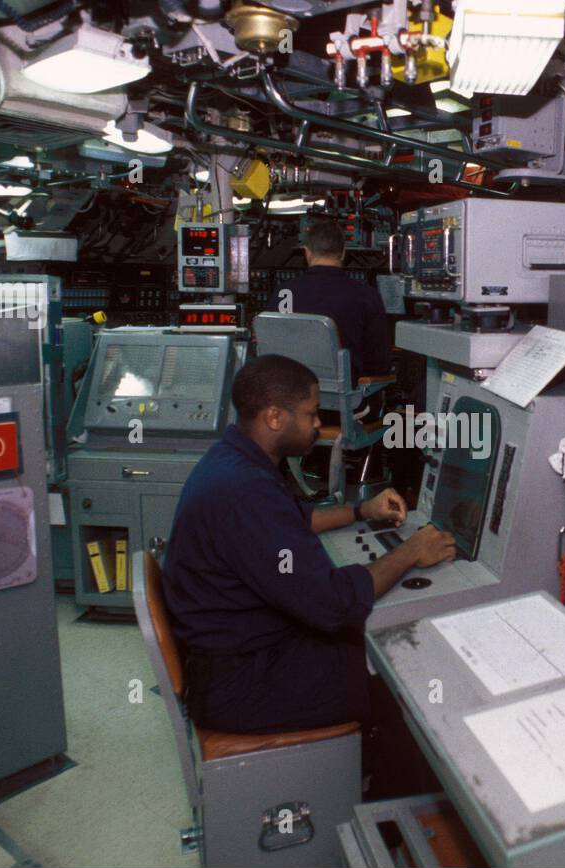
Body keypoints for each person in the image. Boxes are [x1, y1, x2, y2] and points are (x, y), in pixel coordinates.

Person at [162, 354, 456, 735]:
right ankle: (385, 783)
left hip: (231, 656)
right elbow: (334, 604)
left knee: (372, 650)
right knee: (400, 678)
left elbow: (296, 518)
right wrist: (411, 551)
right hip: (239, 685)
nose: (318, 424)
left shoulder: (232, 460)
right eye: (311, 413)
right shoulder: (245, 491)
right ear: (274, 417)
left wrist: (362, 510)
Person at [266, 218, 391, 388]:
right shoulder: (366, 295)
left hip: (291, 400)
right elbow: (379, 365)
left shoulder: (283, 293)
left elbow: (271, 353)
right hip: (345, 402)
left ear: (307, 252)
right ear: (343, 253)